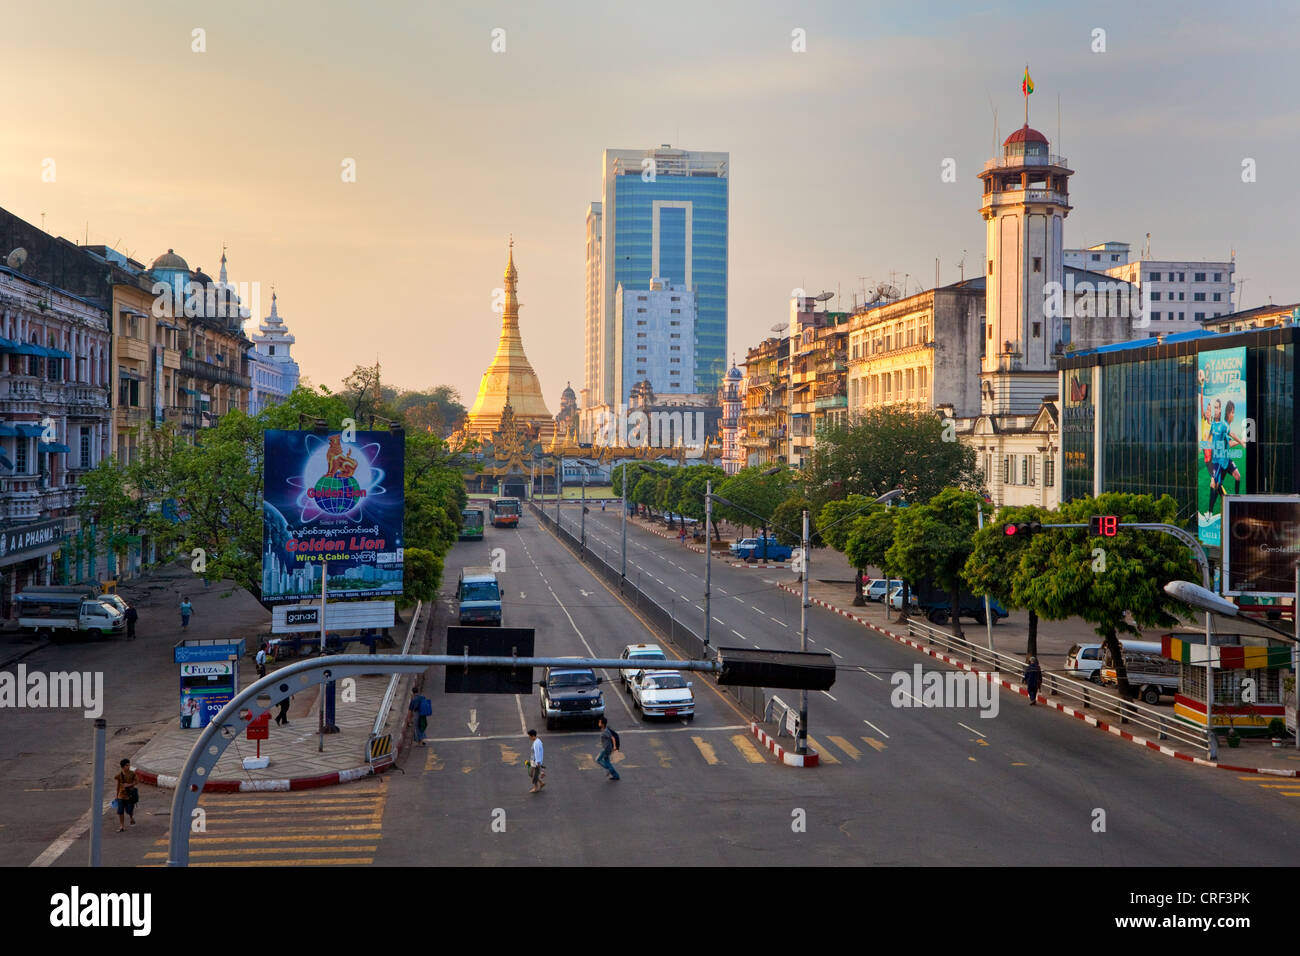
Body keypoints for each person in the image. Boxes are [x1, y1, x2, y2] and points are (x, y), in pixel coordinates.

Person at [113, 758, 138, 832]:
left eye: (129, 764)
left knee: (129, 810)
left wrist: (129, 785)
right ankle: (122, 826)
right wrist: (117, 795)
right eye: (127, 765)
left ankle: (131, 817)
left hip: (129, 796)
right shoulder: (119, 775)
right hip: (121, 796)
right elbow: (118, 785)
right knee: (120, 811)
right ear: (123, 767)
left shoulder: (132, 773)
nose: (129, 766)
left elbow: (137, 781)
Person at [595, 716, 620, 781]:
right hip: (607, 748)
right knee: (607, 761)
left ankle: (609, 769)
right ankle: (616, 776)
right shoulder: (604, 729)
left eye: (599, 722)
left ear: (602, 724)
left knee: (598, 760)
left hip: (606, 749)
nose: (598, 723)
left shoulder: (605, 731)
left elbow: (613, 738)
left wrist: (614, 746)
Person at [526, 729, 545, 793]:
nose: (529, 738)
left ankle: (535, 788)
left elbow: (537, 753)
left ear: (533, 736)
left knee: (534, 775)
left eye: (529, 736)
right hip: (533, 761)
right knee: (531, 774)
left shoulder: (536, 743)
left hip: (535, 762)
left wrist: (538, 763)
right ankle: (541, 783)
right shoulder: (537, 741)